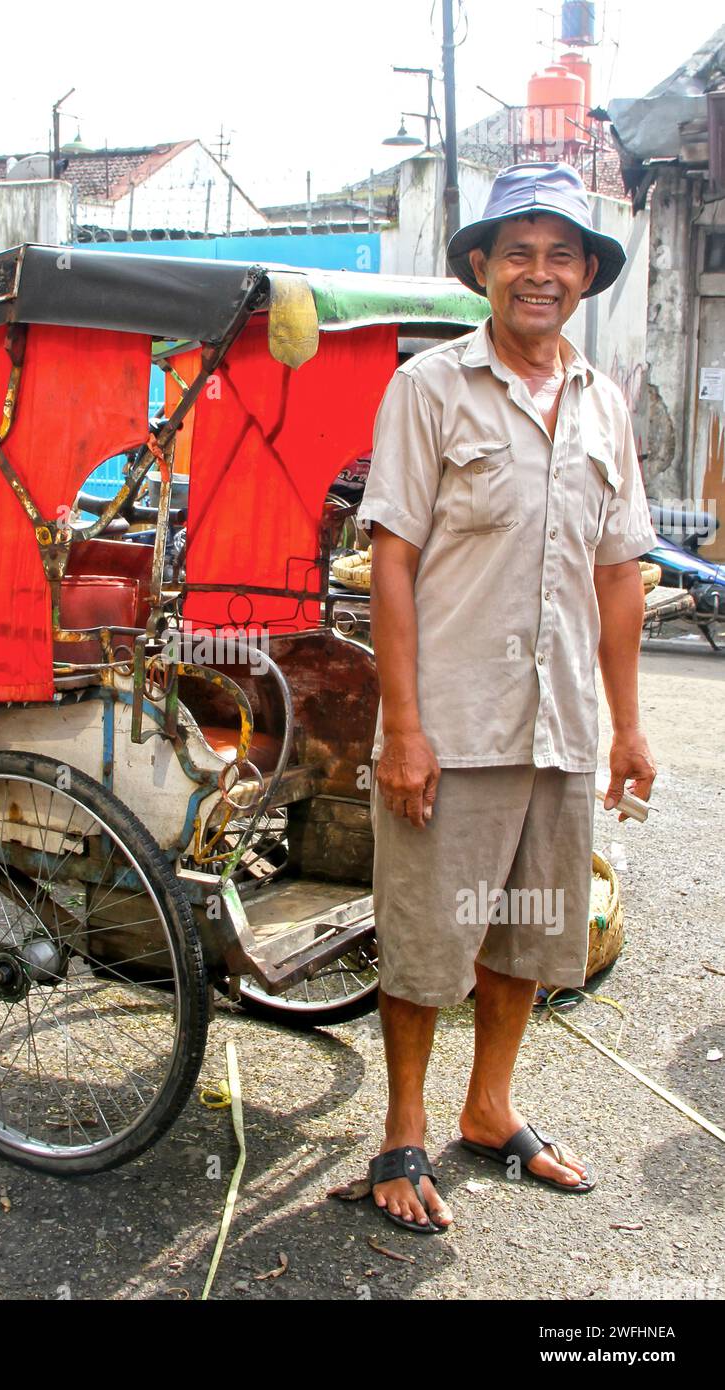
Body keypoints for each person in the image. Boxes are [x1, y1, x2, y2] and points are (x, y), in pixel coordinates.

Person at [355, 162, 657, 1234]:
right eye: (517, 252)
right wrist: (402, 726)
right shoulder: (428, 388)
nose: (539, 273)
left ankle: (488, 1108)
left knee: (529, 931)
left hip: (562, 721)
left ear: (584, 275)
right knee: (428, 934)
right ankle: (400, 1126)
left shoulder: (600, 402)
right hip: (454, 720)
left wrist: (624, 724)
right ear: (481, 268)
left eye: (560, 254)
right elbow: (391, 559)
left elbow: (616, 573)